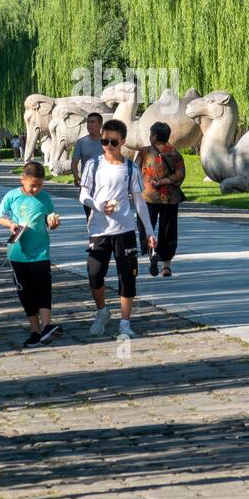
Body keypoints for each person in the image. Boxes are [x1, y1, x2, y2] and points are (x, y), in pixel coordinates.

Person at [79, 118, 156, 338]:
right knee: (94, 274)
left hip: (125, 230)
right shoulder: (93, 165)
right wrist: (98, 205)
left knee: (127, 276)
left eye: (113, 142)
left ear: (122, 141)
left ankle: (125, 323)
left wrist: (150, 232)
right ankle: (102, 312)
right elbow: (83, 195)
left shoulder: (130, 168)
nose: (108, 146)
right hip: (99, 229)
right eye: (104, 141)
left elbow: (140, 202)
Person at [0, 161, 63, 347]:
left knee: (43, 288)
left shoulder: (45, 198)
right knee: (26, 293)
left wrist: (54, 223)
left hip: (41, 252)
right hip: (18, 253)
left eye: (40, 185)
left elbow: (50, 219)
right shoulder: (12, 196)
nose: (36, 189)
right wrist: (10, 225)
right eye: (33, 185)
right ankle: (35, 330)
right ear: (22, 180)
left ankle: (47, 326)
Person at [135, 121, 186, 277]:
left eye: (151, 134)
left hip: (148, 197)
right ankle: (166, 266)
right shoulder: (175, 153)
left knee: (145, 226)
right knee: (168, 231)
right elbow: (180, 175)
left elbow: (135, 170)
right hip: (169, 199)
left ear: (154, 136)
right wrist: (165, 181)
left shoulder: (144, 152)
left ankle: (152, 251)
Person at [71, 111, 104, 221]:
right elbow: (74, 162)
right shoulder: (81, 142)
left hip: (104, 185)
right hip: (87, 186)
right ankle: (93, 237)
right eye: (88, 122)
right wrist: (76, 177)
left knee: (105, 217)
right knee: (90, 218)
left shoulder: (108, 142)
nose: (89, 125)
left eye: (93, 122)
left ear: (100, 125)